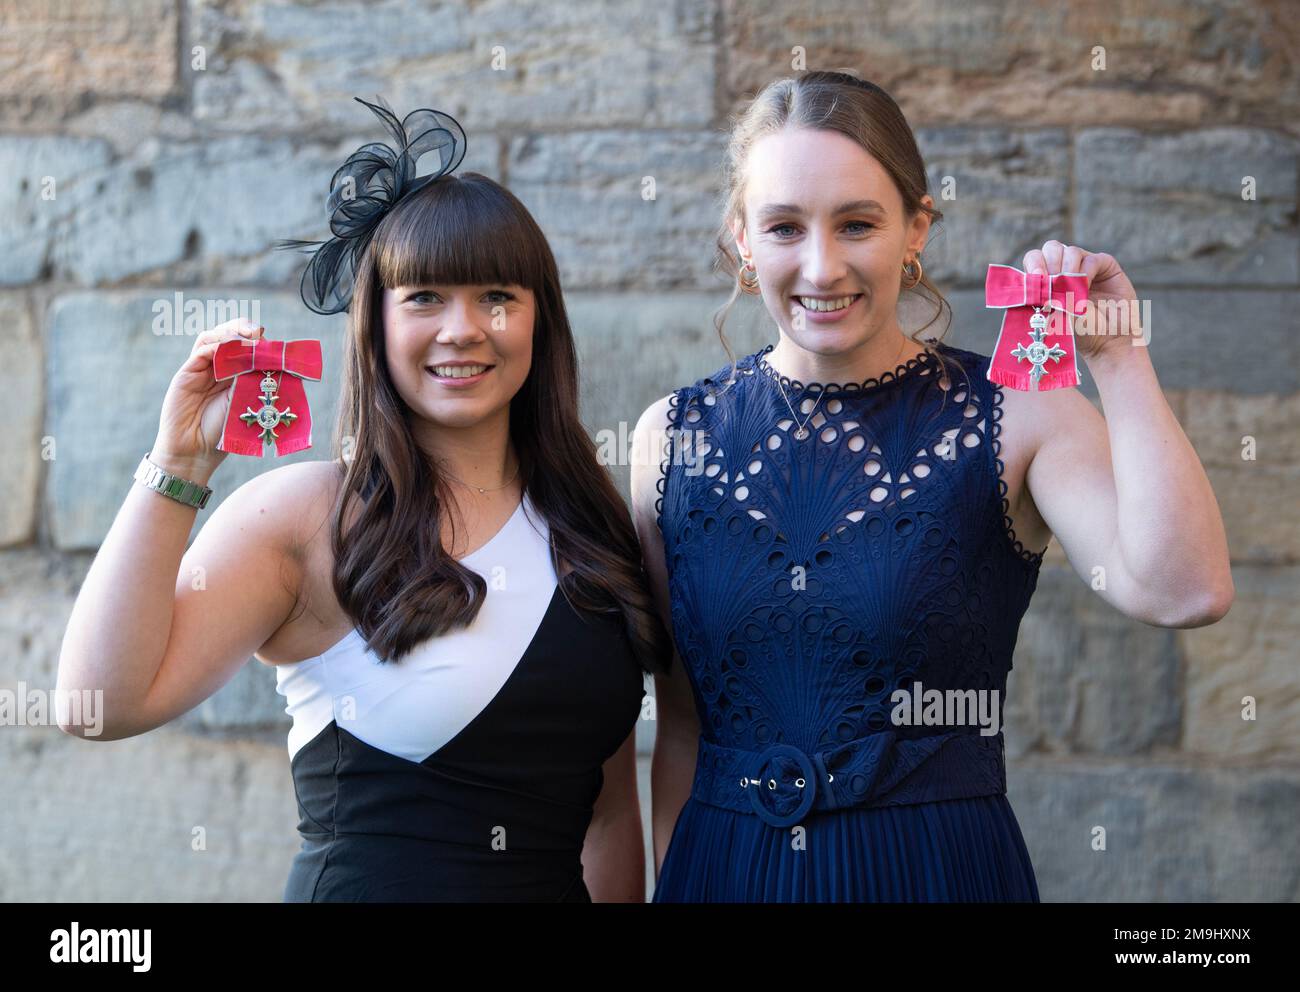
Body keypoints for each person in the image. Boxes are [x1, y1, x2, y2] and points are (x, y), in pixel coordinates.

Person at [630, 71, 1233, 901]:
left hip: (935, 870)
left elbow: (1185, 590)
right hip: (727, 872)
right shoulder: (671, 437)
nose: (821, 264)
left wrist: (1119, 359)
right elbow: (685, 724)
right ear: (742, 238)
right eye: (783, 227)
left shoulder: (1022, 416)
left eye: (858, 224)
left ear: (915, 229)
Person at [56, 97, 668, 903]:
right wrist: (180, 461)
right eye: (423, 298)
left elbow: (609, 815)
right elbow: (97, 705)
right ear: (373, 326)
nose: (463, 329)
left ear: (539, 322)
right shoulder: (307, 516)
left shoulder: (594, 525)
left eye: (497, 297)